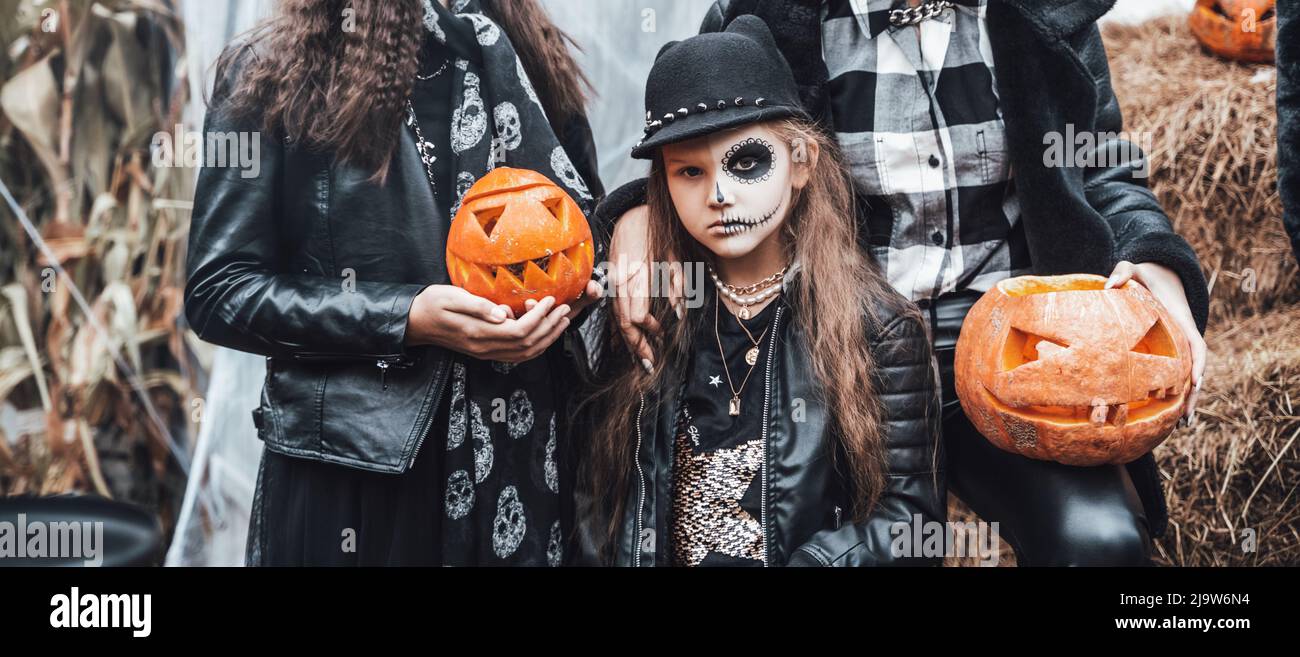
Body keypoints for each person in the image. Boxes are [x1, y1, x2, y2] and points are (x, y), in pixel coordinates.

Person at [601, 0, 1210, 565]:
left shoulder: (1039, 13)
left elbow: (1101, 165)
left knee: (1100, 541)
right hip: (846, 360)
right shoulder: (772, 13)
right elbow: (704, 116)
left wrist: (1157, 264)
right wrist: (635, 212)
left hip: (1020, 358)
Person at [184, 0, 604, 566]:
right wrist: (405, 317)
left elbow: (581, 223)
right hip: (361, 475)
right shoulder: (272, 69)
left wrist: (572, 295)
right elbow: (219, 291)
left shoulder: (519, 48)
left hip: (524, 457)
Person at [572, 17, 944, 567]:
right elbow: (598, 496)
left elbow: (910, 522)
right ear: (662, 186)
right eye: (690, 172)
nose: (720, 193)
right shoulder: (646, 311)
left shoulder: (878, 328)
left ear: (801, 163)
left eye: (745, 162)